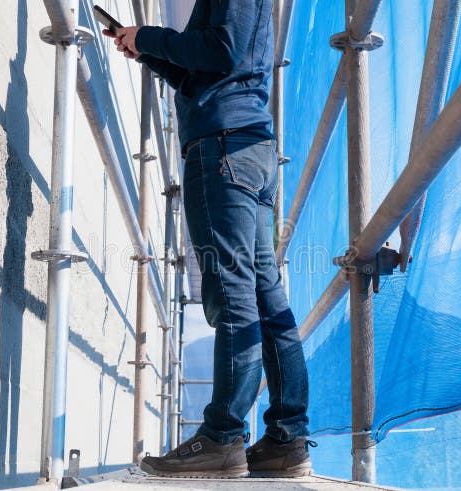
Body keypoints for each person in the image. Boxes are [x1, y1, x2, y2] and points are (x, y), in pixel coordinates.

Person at [103, 0, 312, 479]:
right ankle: (287, 439)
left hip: (223, 149)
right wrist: (149, 51)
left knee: (234, 295)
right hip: (245, 146)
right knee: (263, 296)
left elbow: (222, 49)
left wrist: (151, 36)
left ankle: (222, 438)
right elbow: (210, 71)